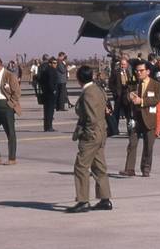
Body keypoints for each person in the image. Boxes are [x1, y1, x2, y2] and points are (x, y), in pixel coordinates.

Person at [67, 66, 113, 213]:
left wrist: (86, 134)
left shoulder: (88, 93)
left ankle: (83, 200)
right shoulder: (98, 89)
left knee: (81, 166)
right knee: (99, 166)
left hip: (92, 135)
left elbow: (91, 118)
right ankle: (105, 198)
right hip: (101, 132)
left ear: (79, 78)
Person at [120, 61, 160, 177]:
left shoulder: (156, 85)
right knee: (132, 144)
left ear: (148, 72)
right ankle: (129, 169)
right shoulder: (132, 84)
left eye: (141, 71)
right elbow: (123, 99)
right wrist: (128, 96)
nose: (138, 73)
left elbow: (156, 99)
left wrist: (142, 101)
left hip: (149, 119)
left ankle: (146, 168)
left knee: (148, 146)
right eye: (137, 71)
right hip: (136, 119)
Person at [38, 57, 59, 132]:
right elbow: (50, 82)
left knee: (46, 110)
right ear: (50, 63)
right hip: (50, 93)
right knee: (50, 110)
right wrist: (53, 90)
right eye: (54, 63)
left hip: (45, 93)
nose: (55, 64)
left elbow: (40, 81)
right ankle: (49, 127)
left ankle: (46, 126)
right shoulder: (51, 71)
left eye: (56, 63)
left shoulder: (45, 70)